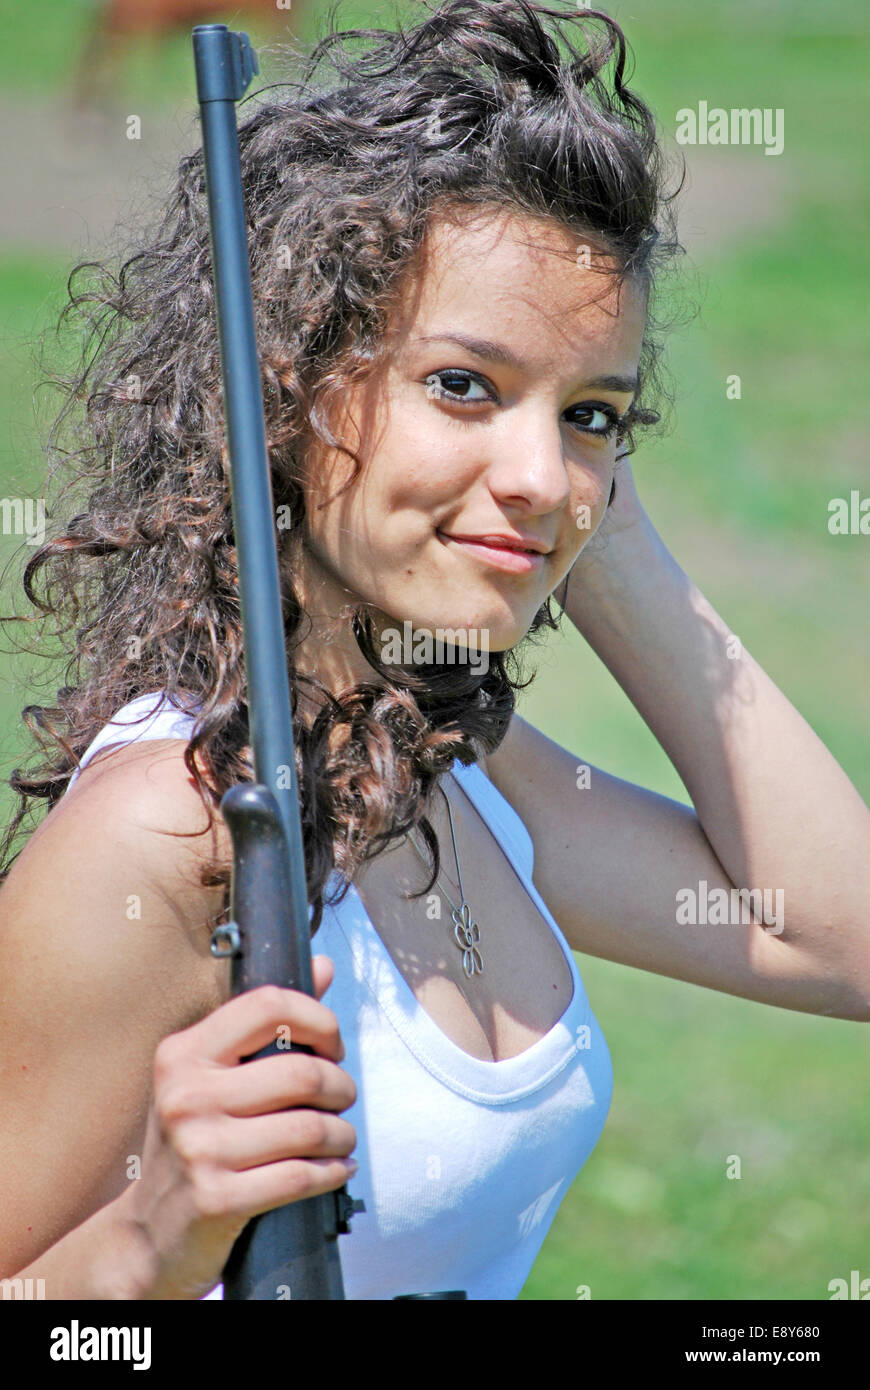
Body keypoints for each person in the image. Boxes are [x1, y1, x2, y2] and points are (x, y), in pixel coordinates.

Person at [1, 0, 868, 1301]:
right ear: (287, 383)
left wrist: (583, 514)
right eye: (463, 383)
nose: (536, 468)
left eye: (592, 413)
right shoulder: (166, 832)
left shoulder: (442, 760)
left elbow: (835, 939)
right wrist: (138, 1251)